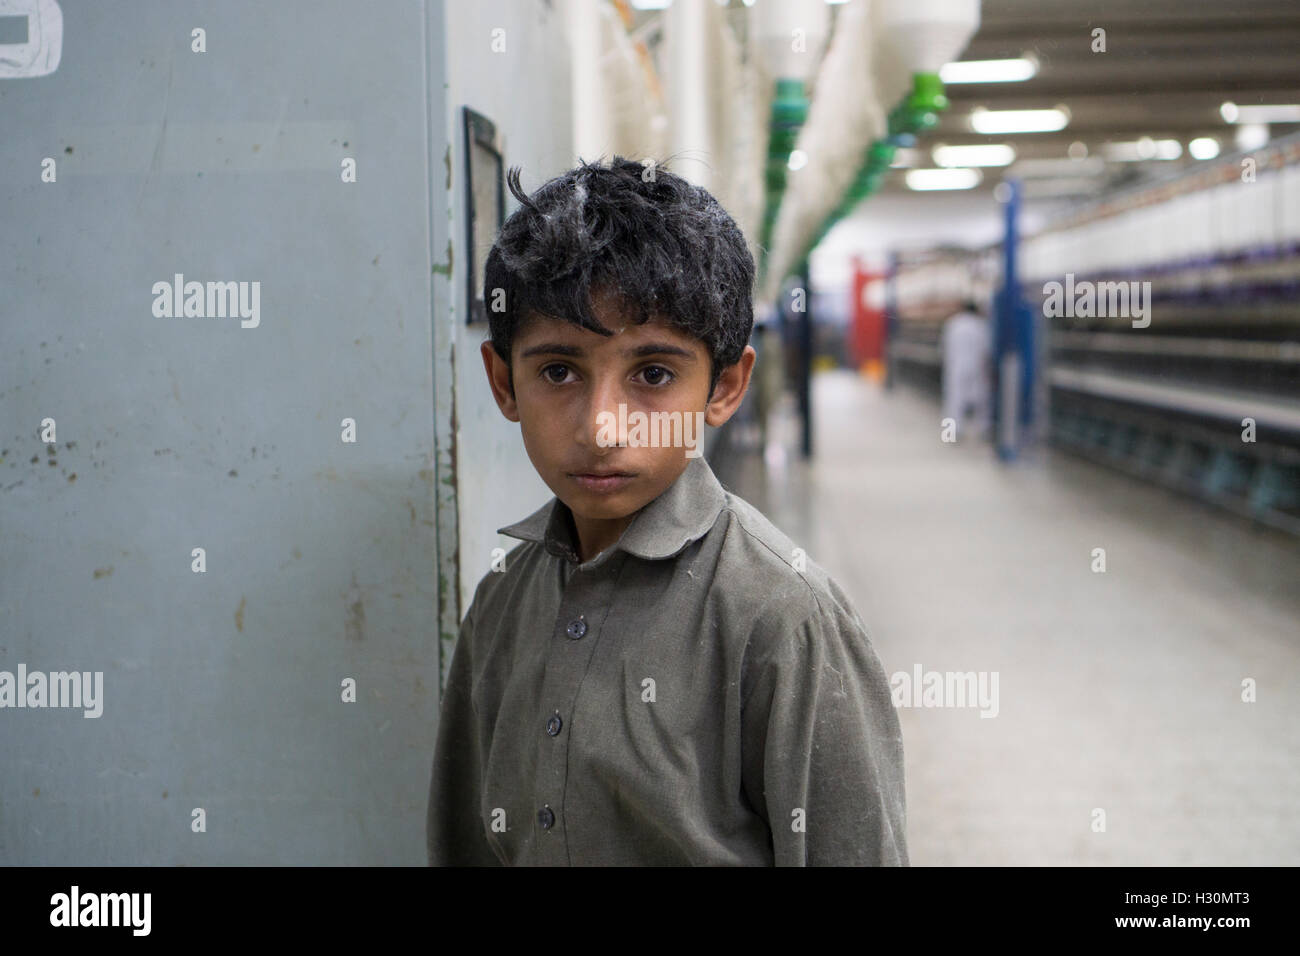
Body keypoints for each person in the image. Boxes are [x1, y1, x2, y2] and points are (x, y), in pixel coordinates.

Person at [425, 156, 908, 866]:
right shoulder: (503, 606)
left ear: (724, 386)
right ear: (504, 384)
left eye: (652, 375)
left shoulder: (784, 620)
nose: (603, 427)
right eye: (559, 371)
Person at [941, 298, 992, 439]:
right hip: (976, 366)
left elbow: (945, 346)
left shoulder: (953, 323)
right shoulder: (980, 325)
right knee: (981, 398)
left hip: (956, 365)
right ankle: (983, 429)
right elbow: (986, 349)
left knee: (954, 399)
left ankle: (953, 432)